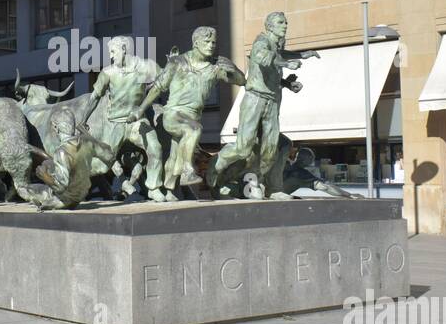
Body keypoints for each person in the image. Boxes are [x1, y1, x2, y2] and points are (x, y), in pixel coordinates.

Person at [209, 11, 317, 197]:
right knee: (244, 147)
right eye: (280, 22)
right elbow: (263, 58)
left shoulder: (277, 44)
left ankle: (268, 186)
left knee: (274, 147)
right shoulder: (261, 42)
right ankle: (217, 161)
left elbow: (278, 54)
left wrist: (294, 68)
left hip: (273, 100)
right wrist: (286, 64)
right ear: (269, 27)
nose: (285, 25)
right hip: (255, 99)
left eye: (286, 22)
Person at [131, 26, 245, 201]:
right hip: (173, 114)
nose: (211, 45)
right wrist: (141, 109)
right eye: (207, 42)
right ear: (196, 43)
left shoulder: (215, 66)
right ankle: (187, 170)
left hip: (192, 116)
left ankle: (169, 189)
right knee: (194, 130)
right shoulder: (178, 62)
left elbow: (241, 81)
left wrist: (234, 69)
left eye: (214, 42)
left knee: (175, 155)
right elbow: (158, 88)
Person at [80, 37, 164, 199]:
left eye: (113, 51)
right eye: (110, 53)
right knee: (103, 165)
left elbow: (164, 80)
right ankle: (76, 184)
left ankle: (153, 188)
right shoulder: (108, 72)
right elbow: (94, 97)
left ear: (124, 49)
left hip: (138, 122)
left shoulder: (146, 66)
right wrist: (84, 119)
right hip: (115, 124)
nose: (111, 56)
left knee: (155, 148)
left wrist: (148, 97)